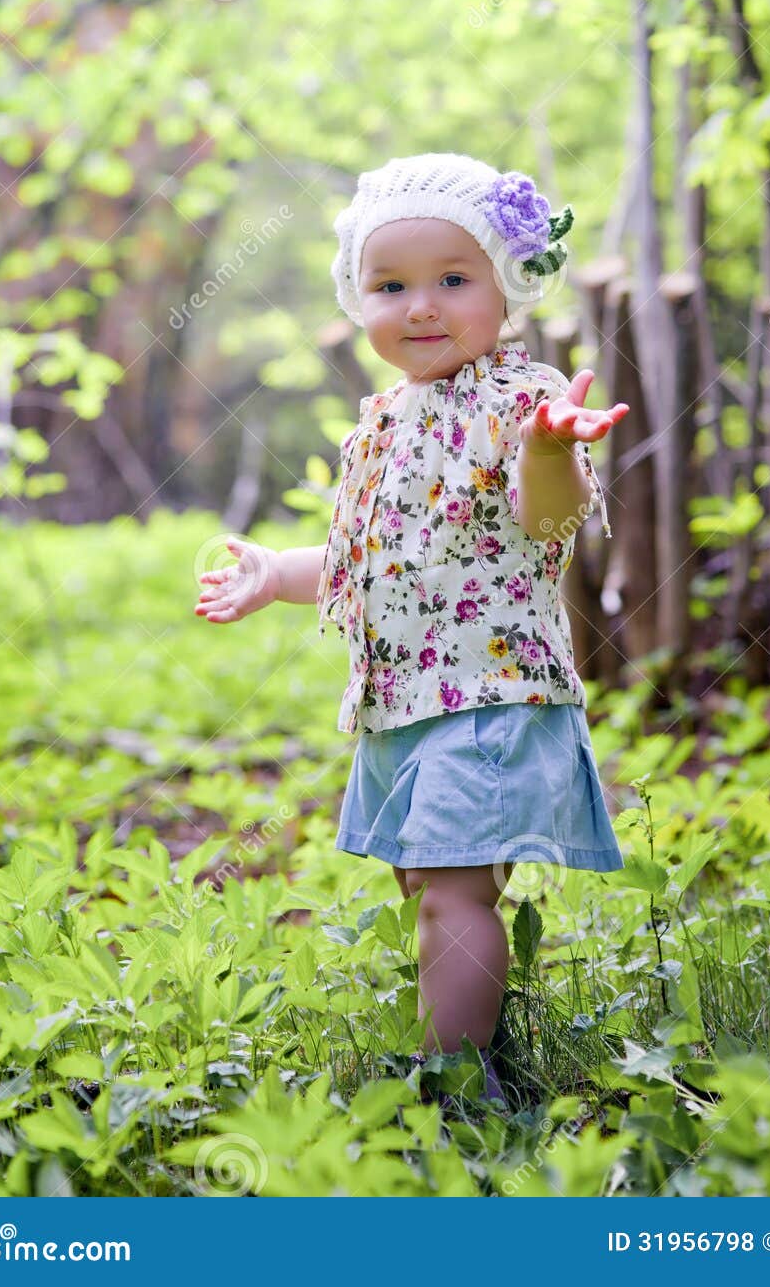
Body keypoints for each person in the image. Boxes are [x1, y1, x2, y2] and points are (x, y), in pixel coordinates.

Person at [195, 152, 629, 1113]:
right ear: (359, 299)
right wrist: (276, 576)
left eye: (452, 280)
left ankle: (456, 1090)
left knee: (451, 891)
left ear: (506, 289)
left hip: (488, 694)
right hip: (403, 699)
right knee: (424, 885)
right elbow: (368, 558)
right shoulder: (382, 422)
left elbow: (546, 517)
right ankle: (469, 1031)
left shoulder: (519, 402)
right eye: (391, 286)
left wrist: (552, 449)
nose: (421, 306)